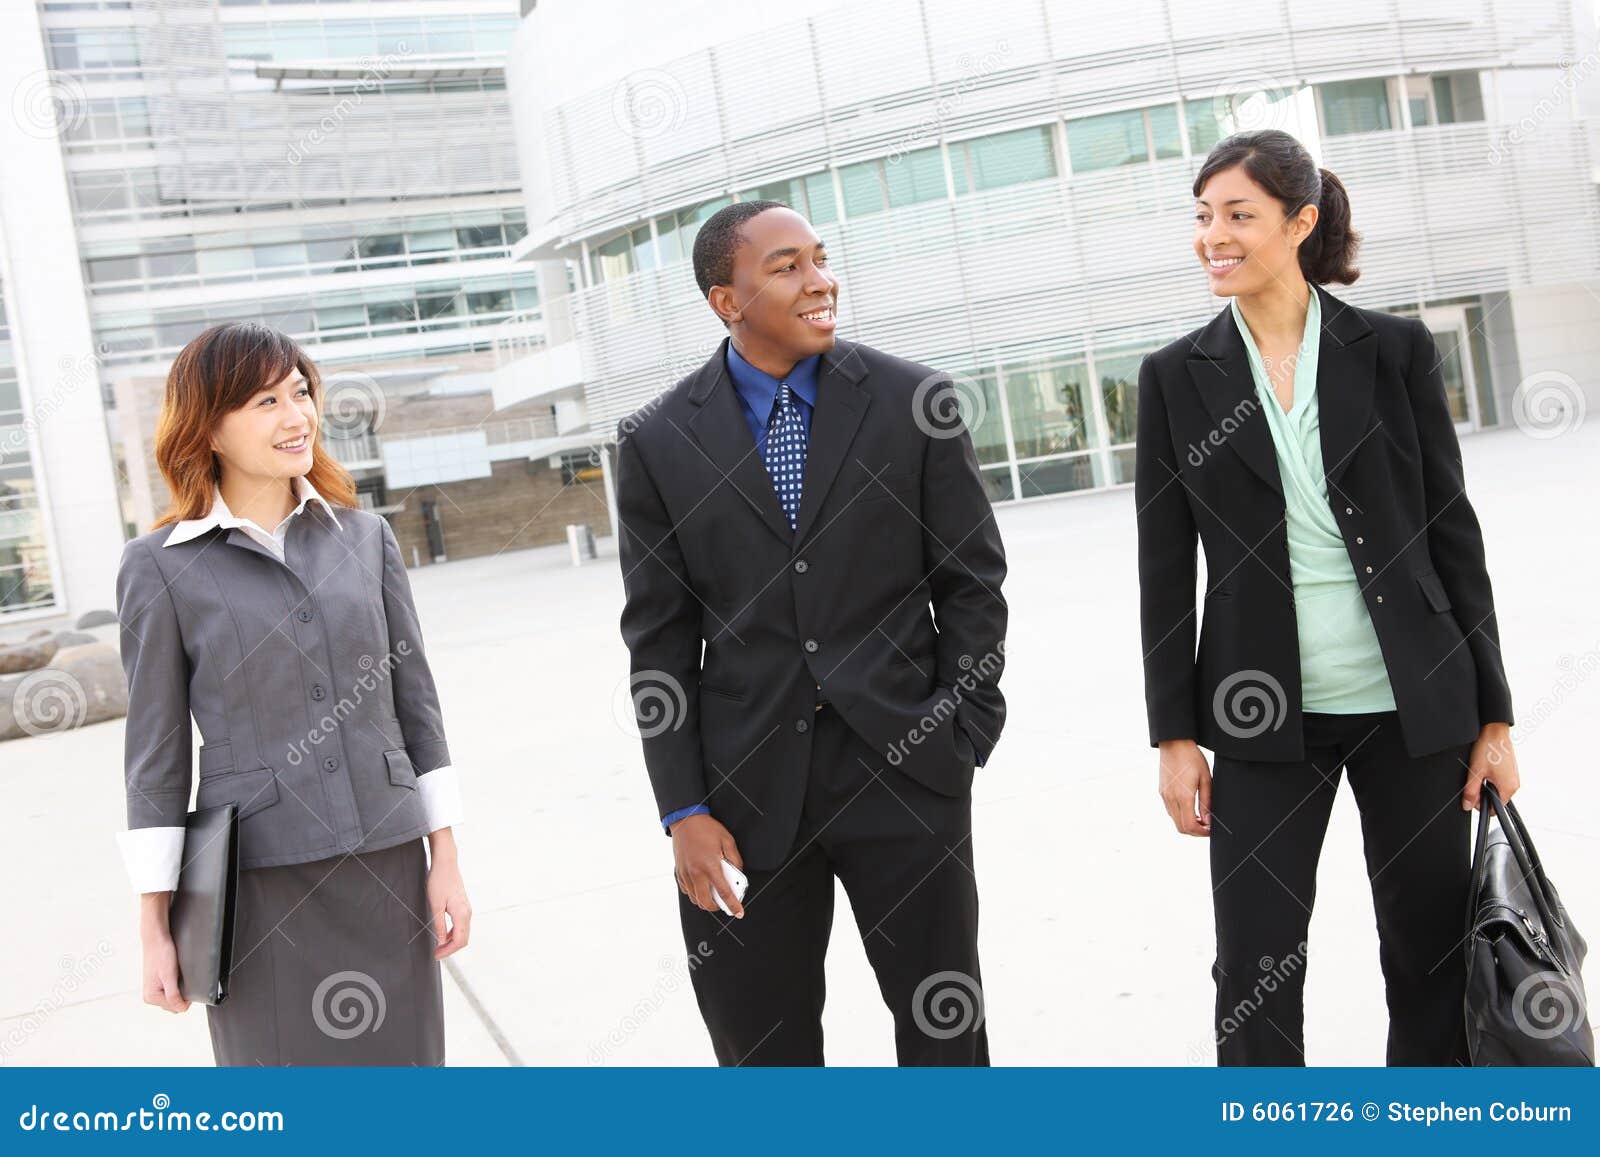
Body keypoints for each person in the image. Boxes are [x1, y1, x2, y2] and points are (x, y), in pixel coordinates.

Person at [1135, 129, 1519, 1065]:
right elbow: (1161, 565)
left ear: (1300, 222)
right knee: (1254, 959)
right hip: (1263, 712)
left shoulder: (1391, 349)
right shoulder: (1174, 375)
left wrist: (1495, 718)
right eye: (1202, 216)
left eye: (1238, 215)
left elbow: (1451, 531)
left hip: (1414, 705)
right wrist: (1174, 734)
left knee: (1428, 956)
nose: (1212, 236)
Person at [615, 201, 1007, 1065]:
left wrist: (961, 731)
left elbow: (973, 584)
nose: (821, 281)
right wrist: (682, 807)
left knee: (946, 1039)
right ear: (728, 300)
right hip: (742, 800)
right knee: (763, 1055)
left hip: (908, 771)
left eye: (821, 259)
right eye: (788, 266)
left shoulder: (916, 402)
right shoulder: (655, 440)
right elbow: (659, 641)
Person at [115, 322, 470, 1065]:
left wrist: (445, 856)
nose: (296, 416)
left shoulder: (365, 537)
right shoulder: (159, 567)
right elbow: (156, 755)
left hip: (387, 863)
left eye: (301, 392)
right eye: (265, 401)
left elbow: (418, 708)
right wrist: (155, 923)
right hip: (257, 886)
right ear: (208, 426)